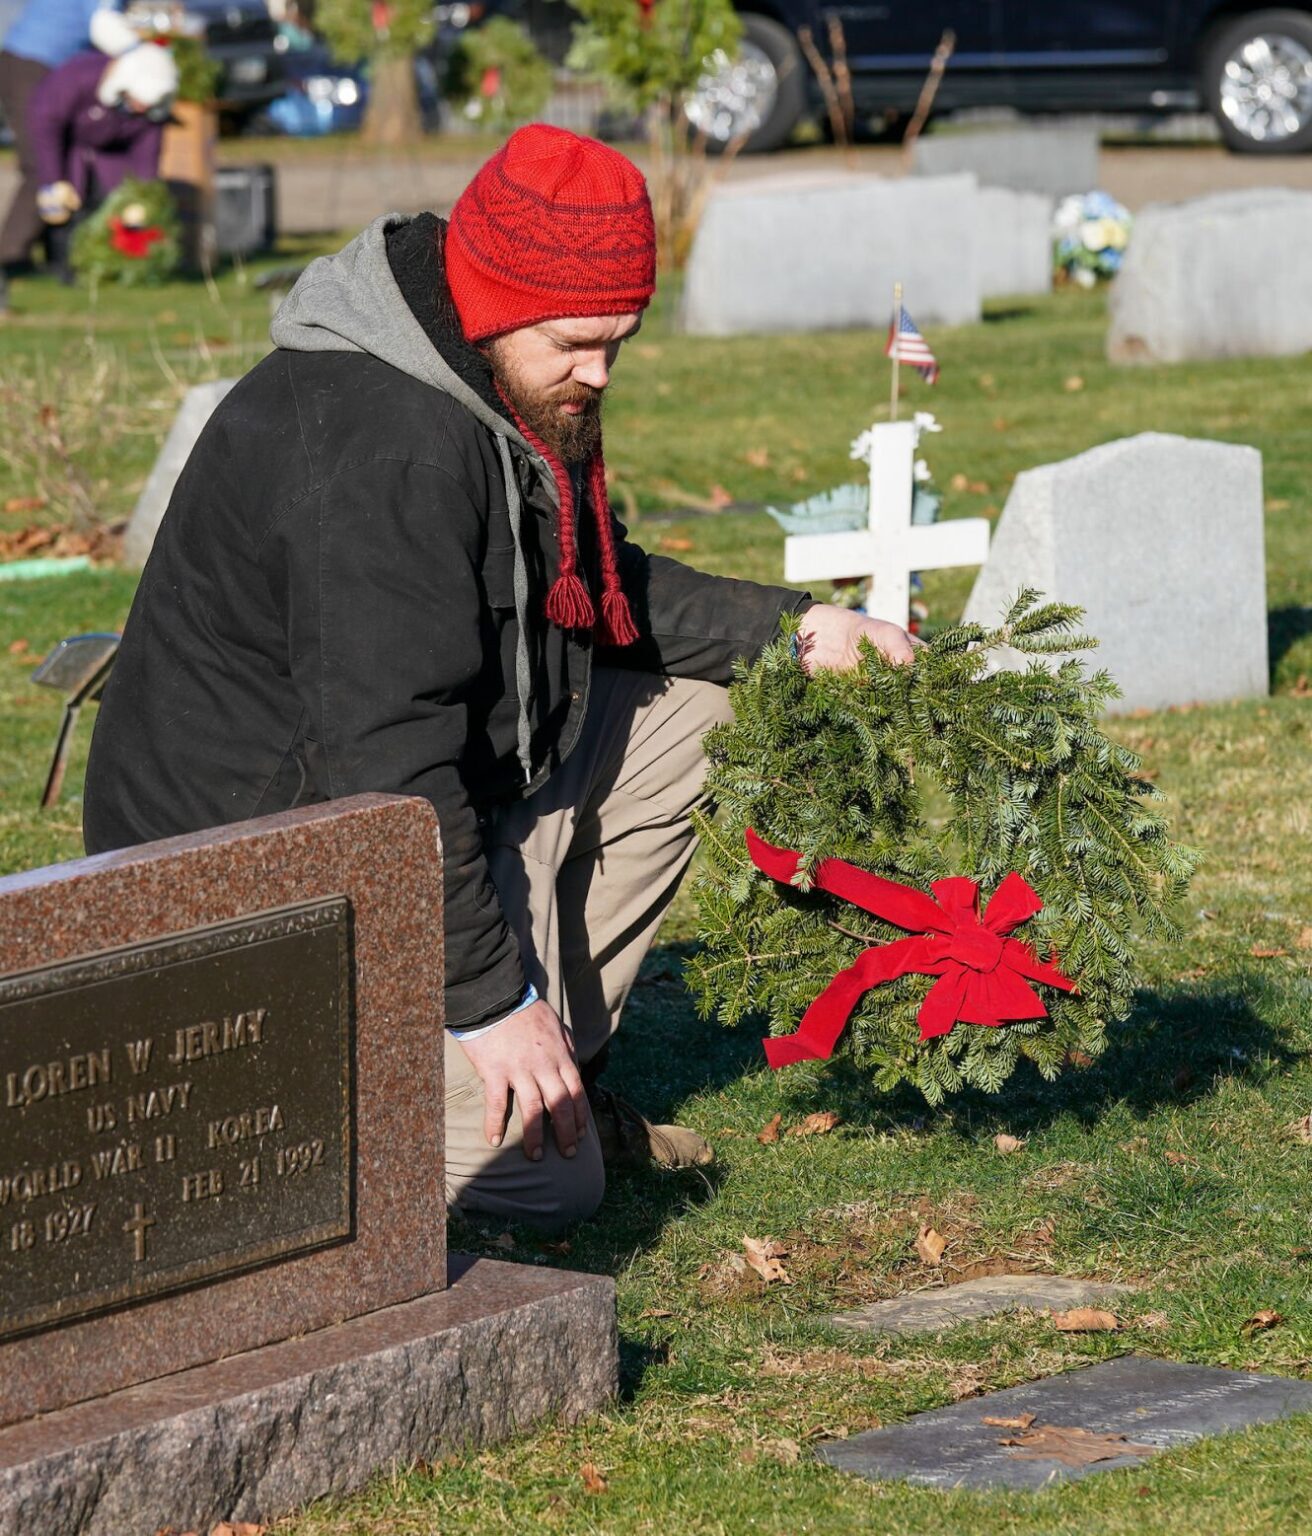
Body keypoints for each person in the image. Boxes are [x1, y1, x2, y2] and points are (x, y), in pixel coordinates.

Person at [83, 125, 917, 1231]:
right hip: (251, 895)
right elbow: (384, 769)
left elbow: (584, 583)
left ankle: (550, 1069)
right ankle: (315, 1114)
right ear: (492, 298)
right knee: (543, 1187)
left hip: (383, 811)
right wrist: (488, 1006)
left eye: (620, 339)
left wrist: (798, 630)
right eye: (577, 341)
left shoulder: (485, 378)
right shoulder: (389, 447)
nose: (600, 371)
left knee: (706, 710)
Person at [0, 0, 140, 310]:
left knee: (59, 165)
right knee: (41, 167)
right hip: (33, 62)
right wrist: (142, 55)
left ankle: (51, 254)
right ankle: (10, 257)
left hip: (41, 62)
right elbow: (104, 26)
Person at [27, 43, 178, 276]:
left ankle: (104, 265)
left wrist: (140, 196)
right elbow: (47, 122)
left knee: (109, 203)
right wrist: (53, 179)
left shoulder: (150, 113)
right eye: (137, 101)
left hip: (110, 153)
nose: (140, 108)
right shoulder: (78, 75)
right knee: (64, 203)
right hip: (65, 145)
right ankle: (57, 264)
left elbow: (146, 154)